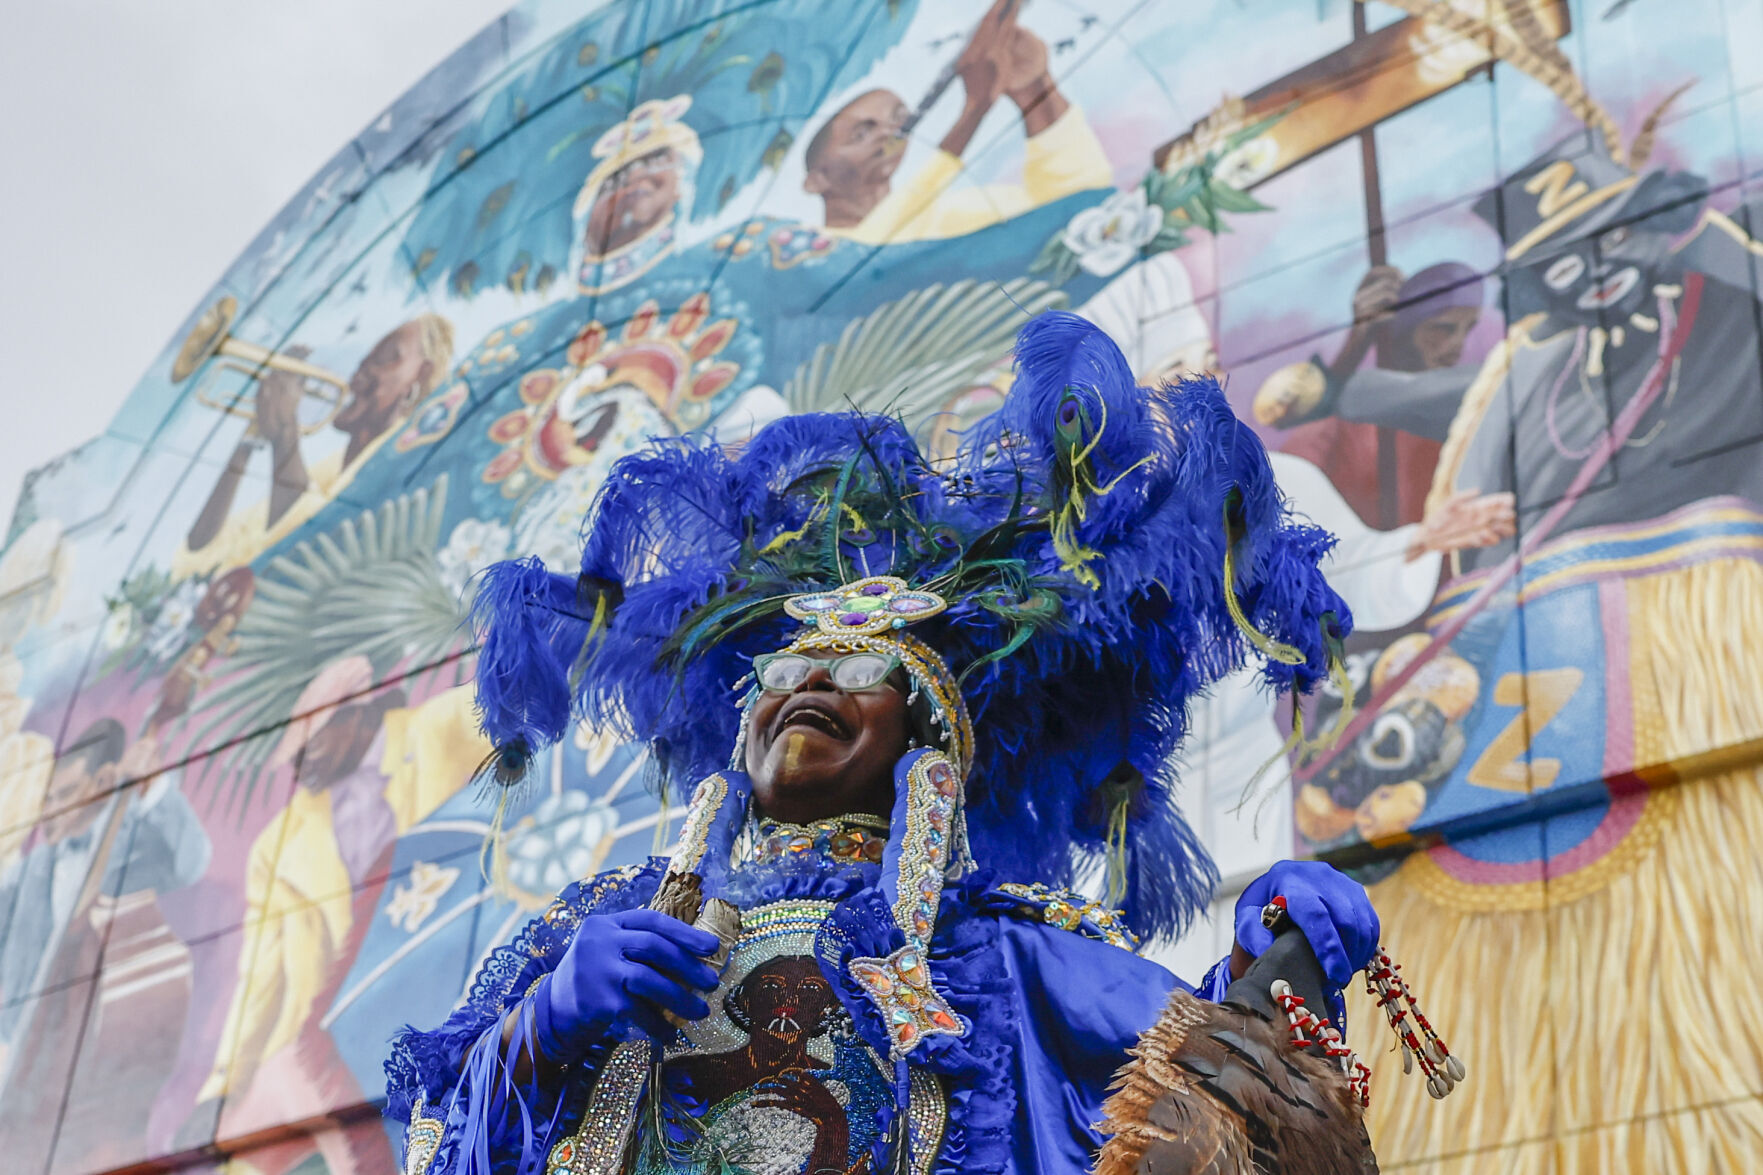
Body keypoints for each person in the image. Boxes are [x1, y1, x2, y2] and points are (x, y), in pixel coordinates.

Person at [386, 313, 1440, 1174]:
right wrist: (546, 1023)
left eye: (855, 676)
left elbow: (1186, 1092)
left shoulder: (991, 952)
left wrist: (1269, 958)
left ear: (926, 735)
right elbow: (448, 1141)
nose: (808, 686)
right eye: (784, 675)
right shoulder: (597, 930)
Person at [187, 657, 488, 1175]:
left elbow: (528, 714)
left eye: (310, 745)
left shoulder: (435, 728)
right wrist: (223, 1086)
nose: (300, 766)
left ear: (354, 716)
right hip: (338, 1019)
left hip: (448, 969)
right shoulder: (277, 846)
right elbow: (259, 977)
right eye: (294, 754)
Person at [804, 0, 1111, 245]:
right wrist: (974, 110)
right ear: (816, 180)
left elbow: (1080, 206)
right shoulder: (815, 253)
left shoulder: (958, 213)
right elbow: (867, 253)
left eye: (897, 118)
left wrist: (1036, 92)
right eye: (861, 133)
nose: (888, 132)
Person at [176, 314, 455, 579]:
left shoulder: (394, 470)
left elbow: (311, 538)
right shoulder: (330, 469)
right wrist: (250, 438)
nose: (362, 367)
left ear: (417, 381)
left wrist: (285, 432)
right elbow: (202, 548)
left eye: (383, 358)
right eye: (369, 355)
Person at [1264, 263, 1488, 528]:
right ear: (1406, 328)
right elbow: (1287, 506)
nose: (1456, 346)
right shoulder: (1340, 425)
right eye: (1443, 328)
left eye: (1468, 328)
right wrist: (1358, 340)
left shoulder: (1471, 407)